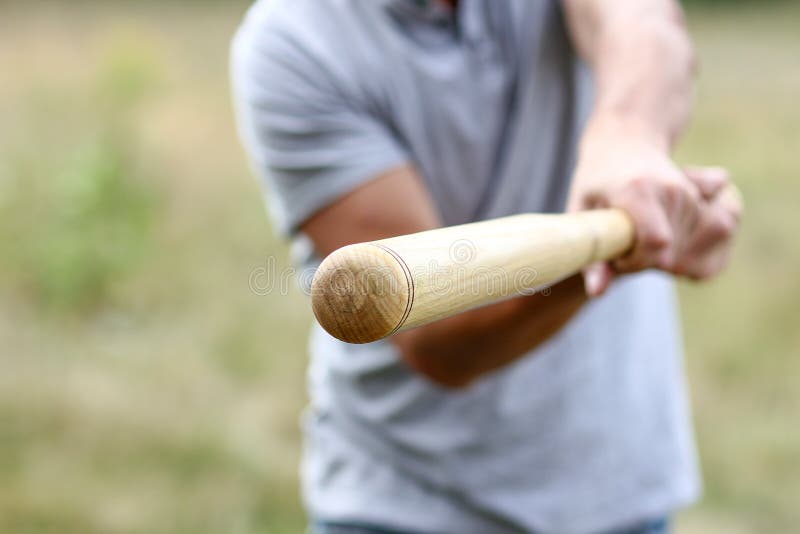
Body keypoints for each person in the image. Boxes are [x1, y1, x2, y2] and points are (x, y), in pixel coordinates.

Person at [231, 0, 742, 532]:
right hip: (407, 504)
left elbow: (641, 22)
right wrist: (620, 247)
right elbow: (440, 344)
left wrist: (628, 141)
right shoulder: (295, 43)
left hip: (615, 486)